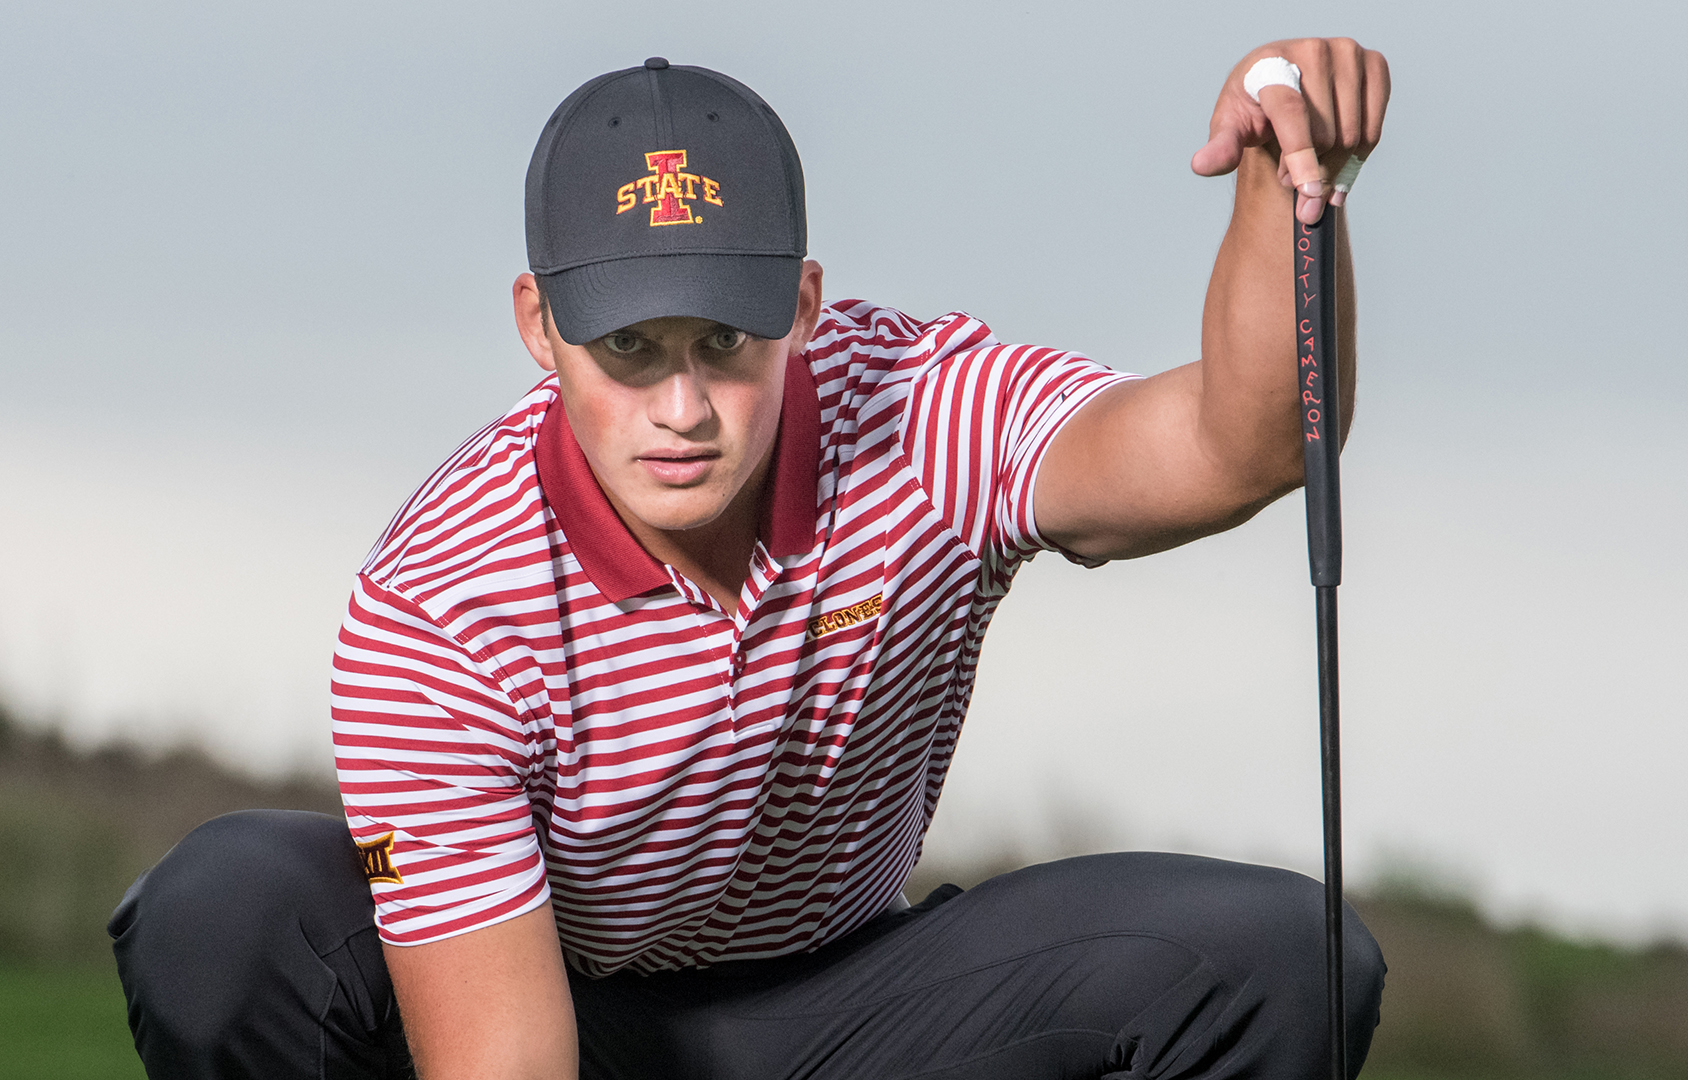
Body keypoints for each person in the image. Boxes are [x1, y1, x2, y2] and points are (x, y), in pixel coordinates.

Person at [110, 40, 1392, 1080]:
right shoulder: (441, 602)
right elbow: (503, 1060)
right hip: (573, 1011)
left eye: (725, 340)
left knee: (1283, 957)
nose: (682, 409)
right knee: (228, 916)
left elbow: (1243, 446)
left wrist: (1289, 192)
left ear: (804, 304)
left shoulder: (915, 404)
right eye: (629, 350)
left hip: (857, 1004)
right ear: (539, 327)